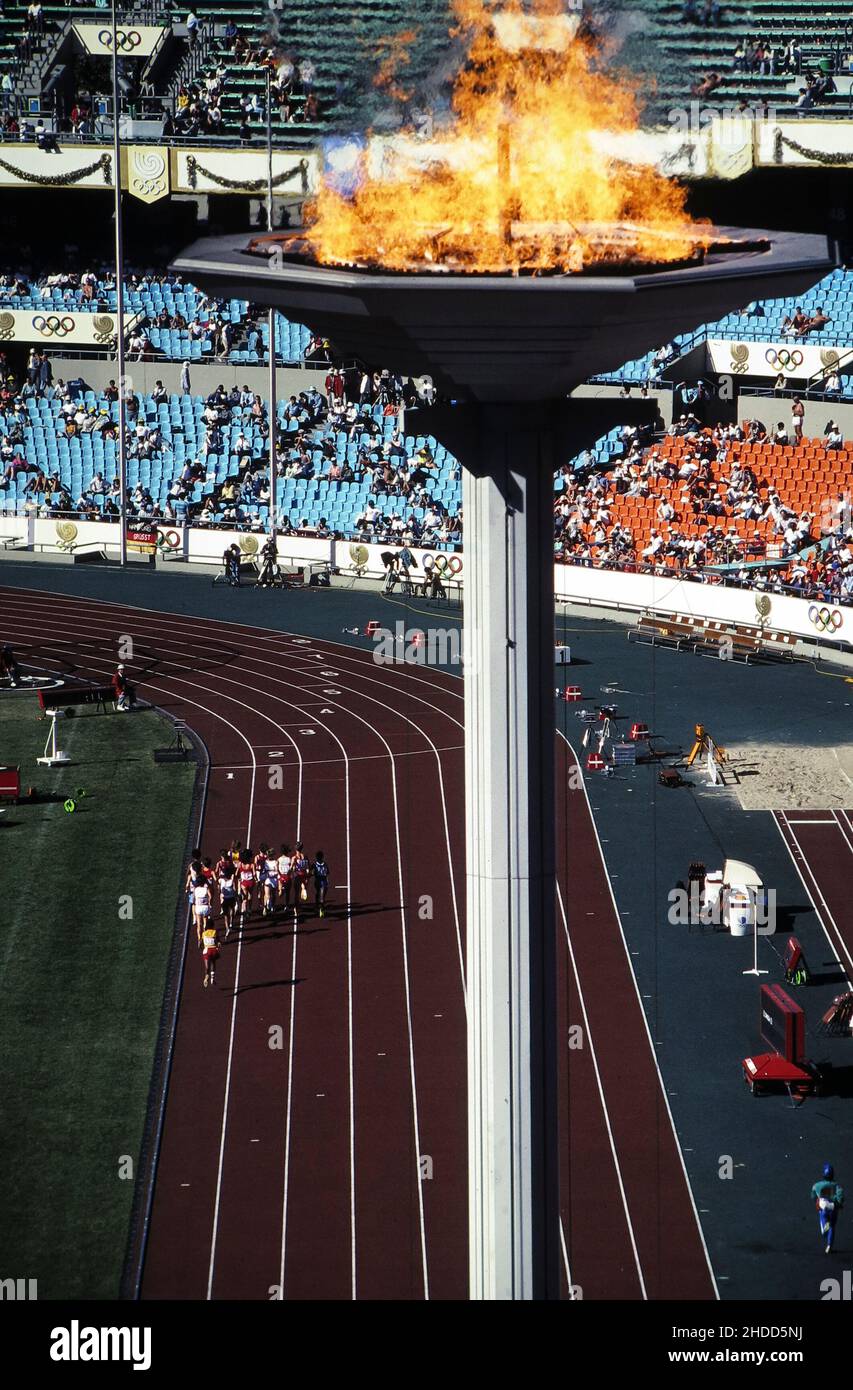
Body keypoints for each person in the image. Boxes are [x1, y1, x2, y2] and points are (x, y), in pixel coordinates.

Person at [811, 1163, 844, 1253]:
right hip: (833, 1208)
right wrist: (839, 1203)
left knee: (824, 1226)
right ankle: (829, 1245)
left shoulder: (817, 1185)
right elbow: (840, 1196)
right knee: (832, 1226)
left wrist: (816, 1199)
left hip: (824, 1207)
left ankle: (825, 1226)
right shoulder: (837, 1185)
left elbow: (813, 1195)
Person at [218, 861, 238, 938]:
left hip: (225, 899)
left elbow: (219, 889)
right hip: (231, 898)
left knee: (226, 915)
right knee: (232, 910)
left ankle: (227, 928)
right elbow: (234, 889)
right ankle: (231, 923)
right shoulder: (231, 881)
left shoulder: (221, 880)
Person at [201, 921, 220, 988]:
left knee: (207, 966)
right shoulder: (215, 932)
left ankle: (206, 975)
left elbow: (201, 943)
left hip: (207, 950)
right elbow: (218, 941)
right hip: (214, 950)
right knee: (213, 962)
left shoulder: (203, 934)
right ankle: (212, 977)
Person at [312, 850, 330, 918]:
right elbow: (327, 872)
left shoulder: (315, 864)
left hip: (318, 881)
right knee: (322, 897)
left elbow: (311, 872)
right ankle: (321, 909)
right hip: (323, 881)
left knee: (318, 893)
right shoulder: (325, 864)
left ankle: (318, 906)